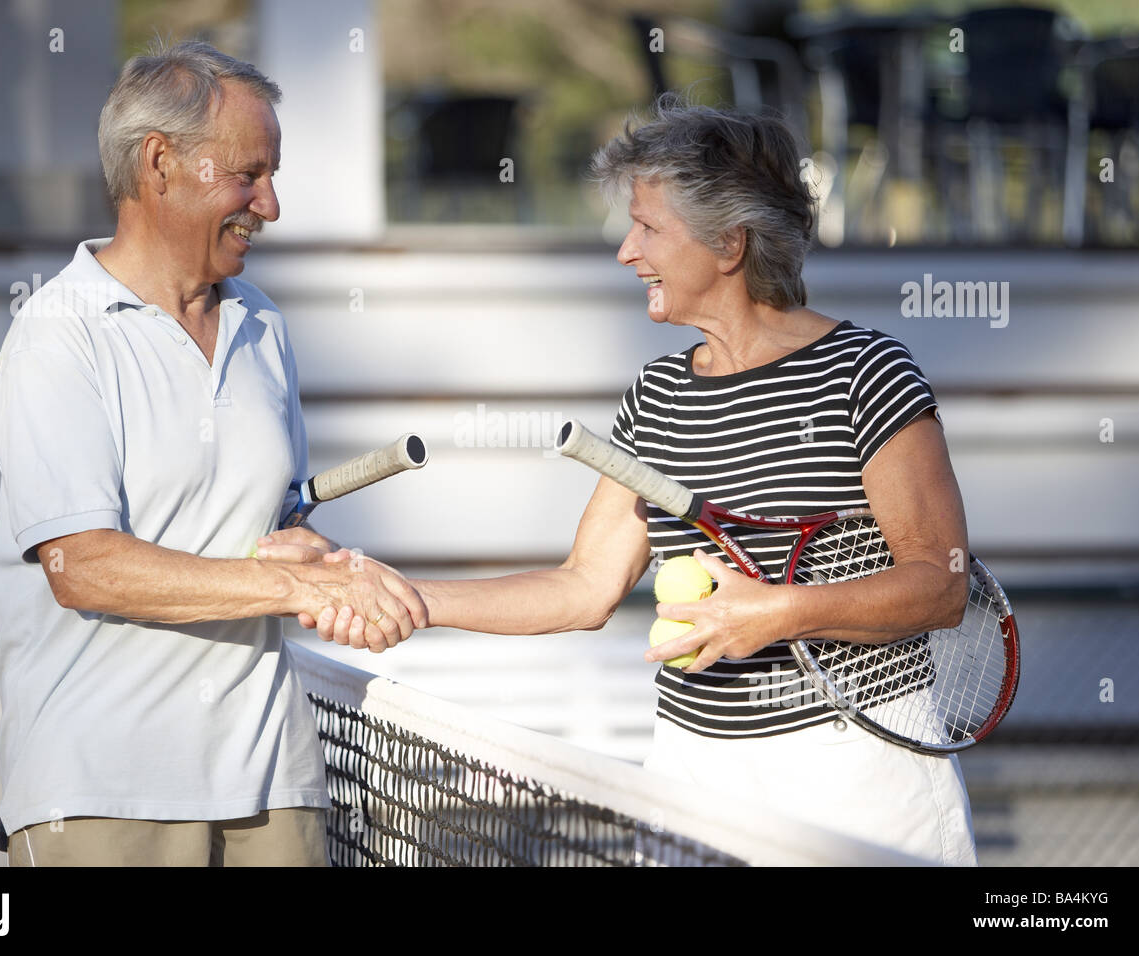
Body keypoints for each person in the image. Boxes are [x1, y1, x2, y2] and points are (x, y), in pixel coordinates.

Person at [306, 99, 977, 865]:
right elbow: (583, 587)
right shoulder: (656, 398)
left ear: (729, 243)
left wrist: (777, 613)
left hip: (861, 771)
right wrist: (406, 598)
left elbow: (940, 585)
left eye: (649, 228)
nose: (626, 251)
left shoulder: (867, 373)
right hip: (694, 774)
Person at [0, 39, 427, 867]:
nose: (271, 205)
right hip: (99, 795)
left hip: (274, 784)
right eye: (248, 175)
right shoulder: (56, 333)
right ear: (158, 165)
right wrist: (291, 582)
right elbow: (84, 566)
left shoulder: (264, 322)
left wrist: (313, 556)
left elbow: (263, 530)